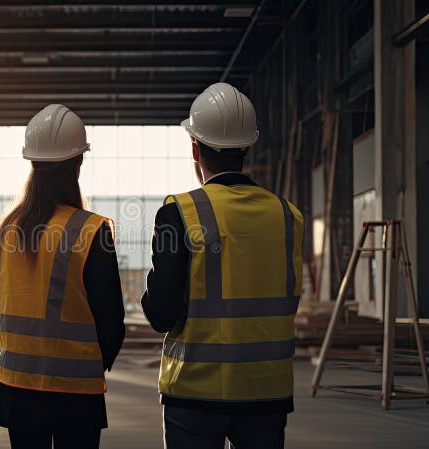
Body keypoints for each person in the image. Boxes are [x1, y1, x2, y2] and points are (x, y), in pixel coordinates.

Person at [141, 82, 304, 449]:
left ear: (194, 147)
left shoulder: (178, 213)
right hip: (267, 391)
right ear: (248, 145)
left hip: (195, 392)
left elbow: (161, 315)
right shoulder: (287, 215)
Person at [0, 104, 126, 449]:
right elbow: (111, 321)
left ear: (32, 163)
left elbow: (0, 311)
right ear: (78, 163)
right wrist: (93, 362)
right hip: (74, 392)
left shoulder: (9, 230)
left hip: (16, 388)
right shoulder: (91, 230)